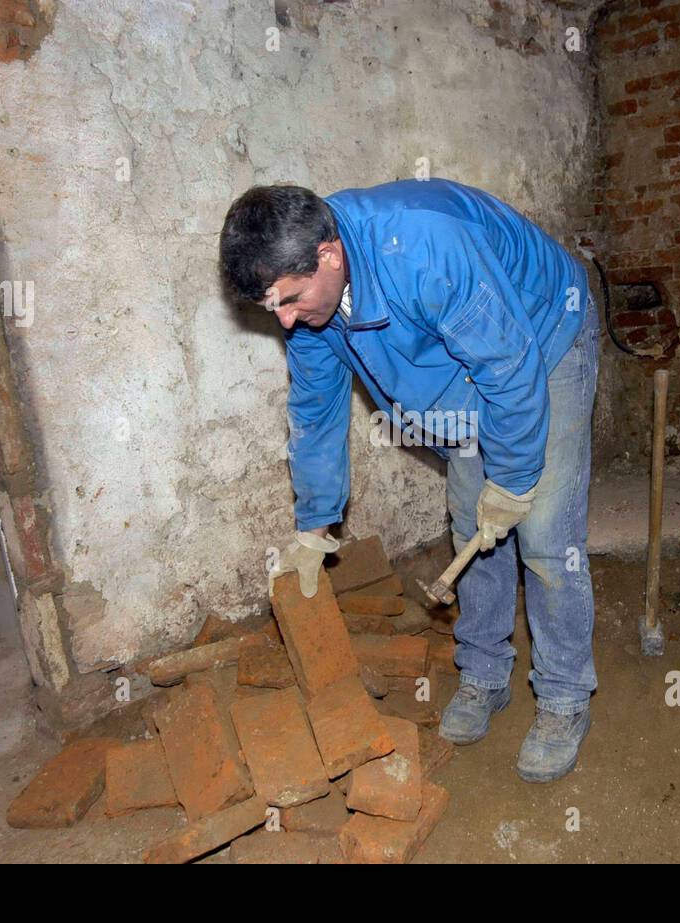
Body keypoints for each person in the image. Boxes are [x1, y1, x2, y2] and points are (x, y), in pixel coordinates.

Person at [219, 178, 599, 782]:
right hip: (469, 361)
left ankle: (562, 697)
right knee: (473, 517)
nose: (285, 321)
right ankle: (483, 674)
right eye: (272, 309)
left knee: (546, 533)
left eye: (290, 299)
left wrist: (518, 476)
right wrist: (316, 523)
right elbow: (316, 409)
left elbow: (507, 365)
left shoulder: (423, 247)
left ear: (329, 255)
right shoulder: (310, 309)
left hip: (543, 337)